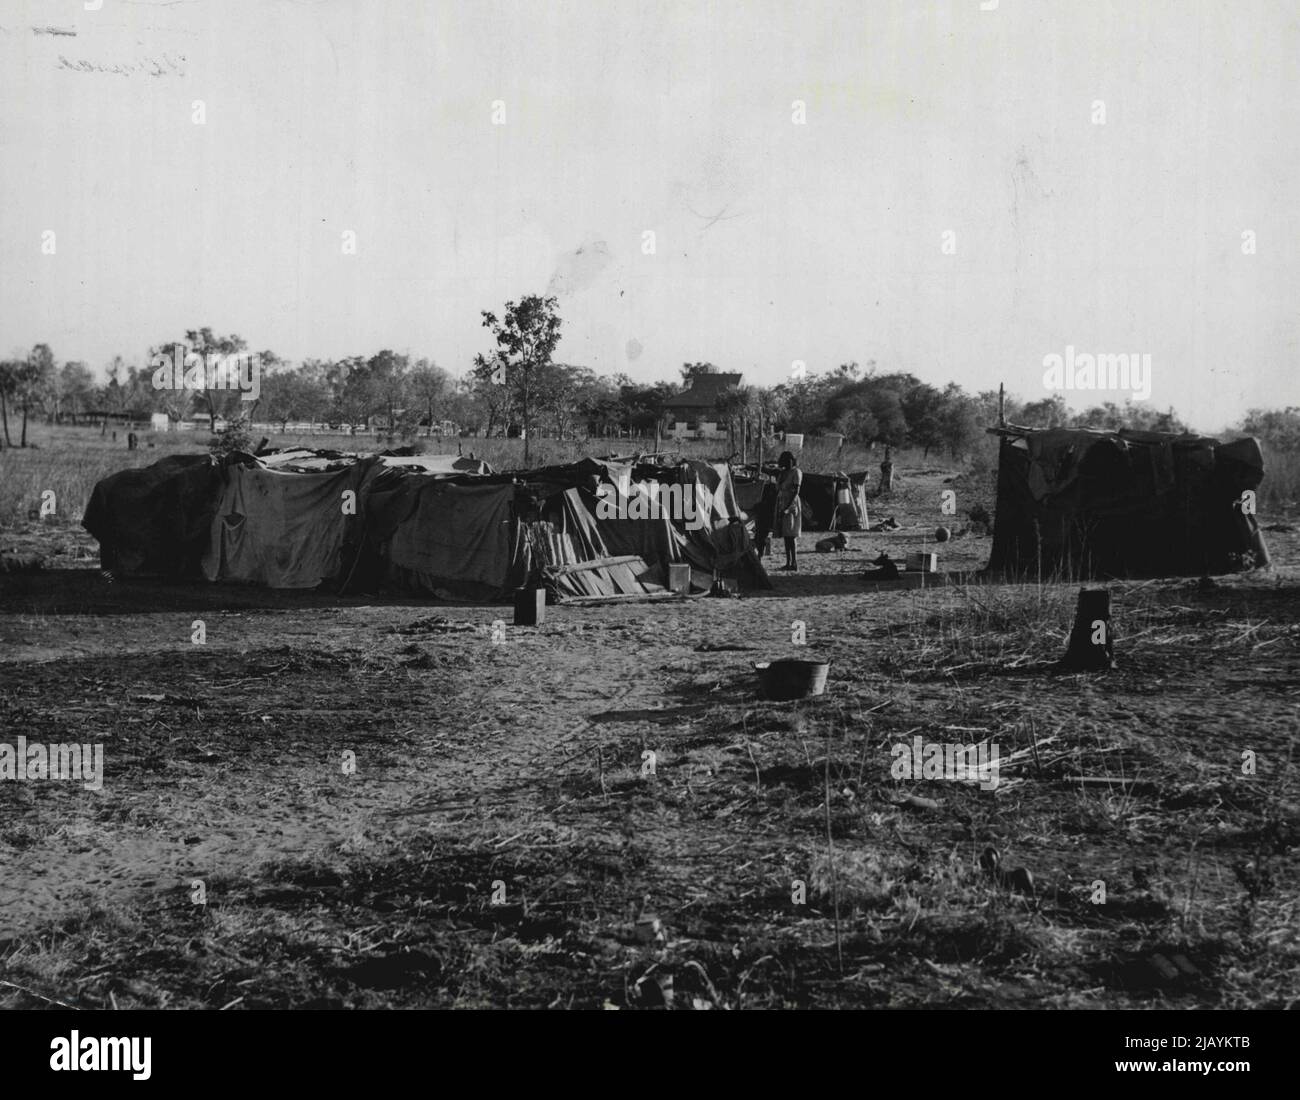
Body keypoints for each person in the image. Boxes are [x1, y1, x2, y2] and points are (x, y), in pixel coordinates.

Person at [775, 450, 803, 571]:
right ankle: (788, 562)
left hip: (791, 505)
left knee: (791, 534)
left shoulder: (796, 472)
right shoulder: (782, 473)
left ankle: (794, 562)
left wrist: (788, 508)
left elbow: (796, 491)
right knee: (786, 535)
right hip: (782, 503)